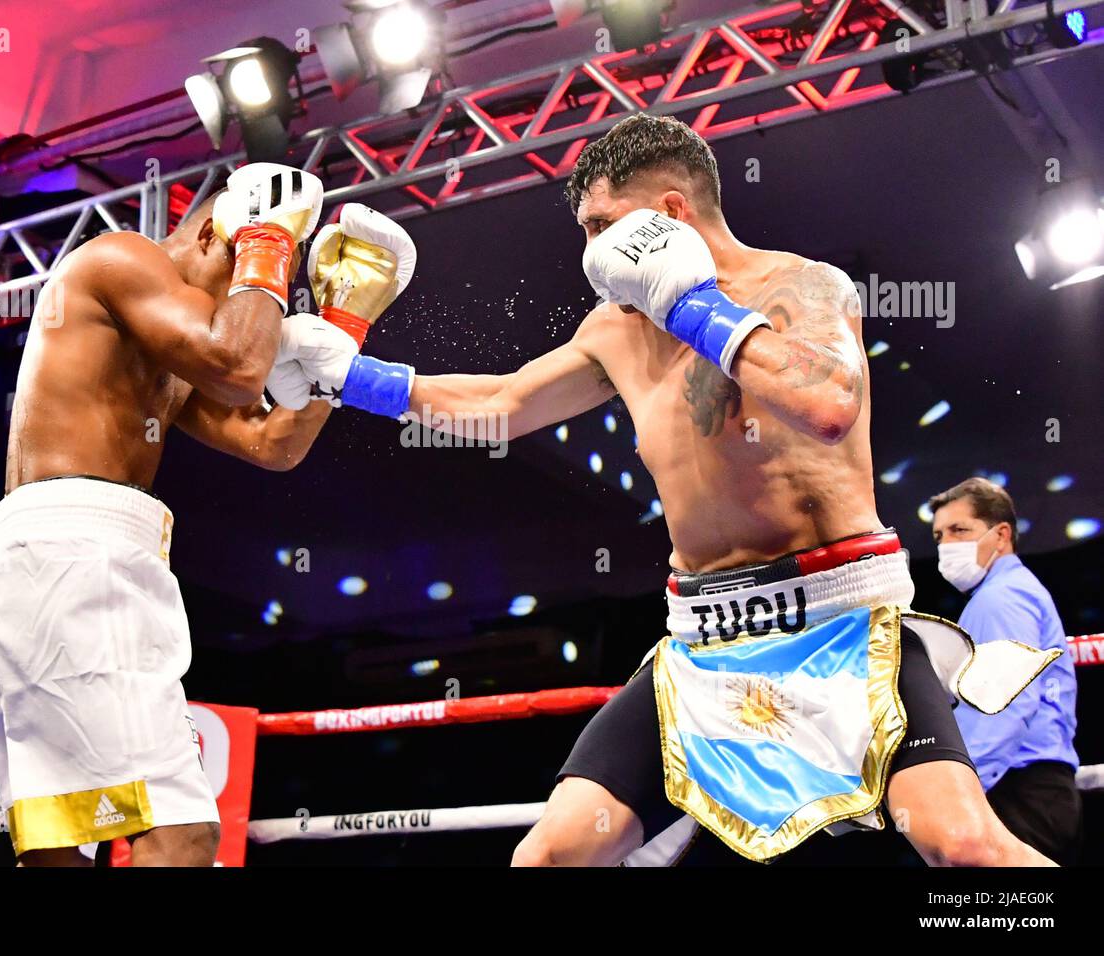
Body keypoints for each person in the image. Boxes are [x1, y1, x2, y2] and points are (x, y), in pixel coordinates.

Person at [269, 113, 1058, 866]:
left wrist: (695, 307)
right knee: (549, 854)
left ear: (669, 213)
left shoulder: (801, 287)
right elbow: (500, 409)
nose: (589, 253)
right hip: (705, 646)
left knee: (964, 848)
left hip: (844, 626)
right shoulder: (615, 329)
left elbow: (827, 405)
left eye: (600, 226)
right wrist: (354, 379)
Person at [0, 163, 414, 866]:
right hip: (75, 559)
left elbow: (274, 444)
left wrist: (342, 323)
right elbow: (237, 364)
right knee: (182, 832)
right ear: (214, 232)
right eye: (249, 272)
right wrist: (270, 242)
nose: (254, 305)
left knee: (59, 844)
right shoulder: (121, 258)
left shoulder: (171, 349)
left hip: (40, 565)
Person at [930, 477, 1082, 864]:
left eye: (959, 530)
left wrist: (962, 792)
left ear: (1001, 535)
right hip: (1029, 787)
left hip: (1016, 786)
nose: (947, 544)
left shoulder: (1001, 599)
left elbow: (1006, 702)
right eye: (938, 535)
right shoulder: (1008, 592)